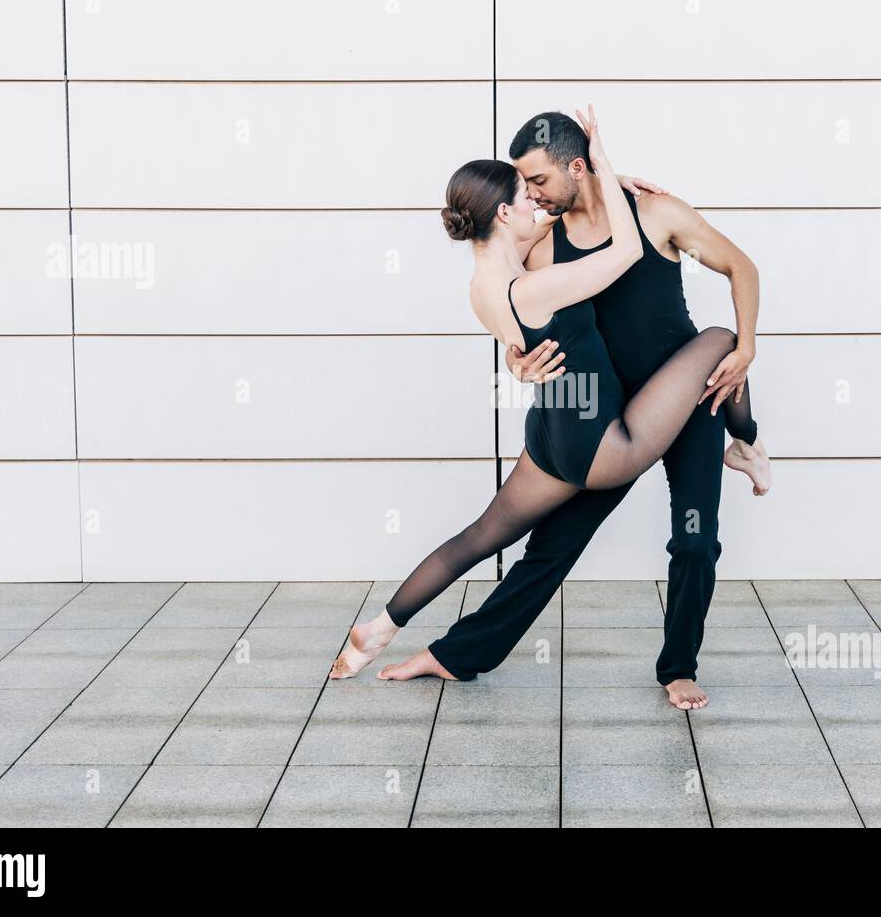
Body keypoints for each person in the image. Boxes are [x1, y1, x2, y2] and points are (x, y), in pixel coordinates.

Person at [329, 107, 769, 691]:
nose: (533, 197)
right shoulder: (540, 242)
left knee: (694, 539)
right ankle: (456, 655)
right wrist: (518, 362)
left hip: (684, 400)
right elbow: (522, 313)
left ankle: (678, 667)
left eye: (539, 180)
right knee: (546, 554)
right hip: (605, 421)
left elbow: (740, 266)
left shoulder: (656, 212)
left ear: (577, 167)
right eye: (524, 185)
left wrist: (749, 346)